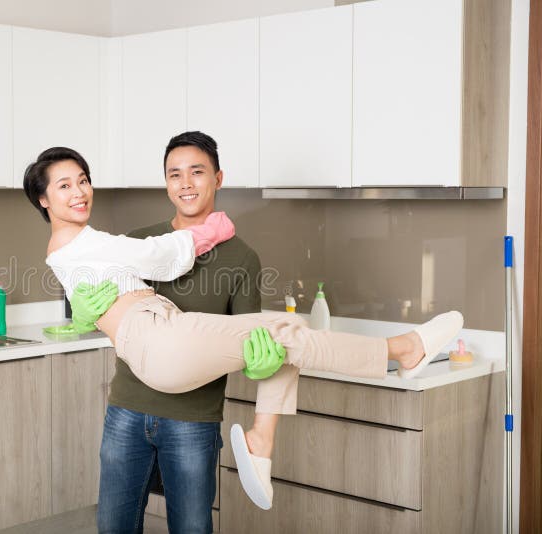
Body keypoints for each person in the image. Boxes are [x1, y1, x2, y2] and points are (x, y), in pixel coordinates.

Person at [23, 140, 462, 522]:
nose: (79, 191)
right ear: (44, 200)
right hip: (140, 378)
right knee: (117, 523)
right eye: (65, 185)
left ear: (218, 177)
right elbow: (160, 259)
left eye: (83, 180)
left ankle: (263, 438)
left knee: (286, 331)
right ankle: (399, 353)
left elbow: (242, 345)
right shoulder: (126, 240)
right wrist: (205, 234)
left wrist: (259, 362)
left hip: (185, 392)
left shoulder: (240, 258)